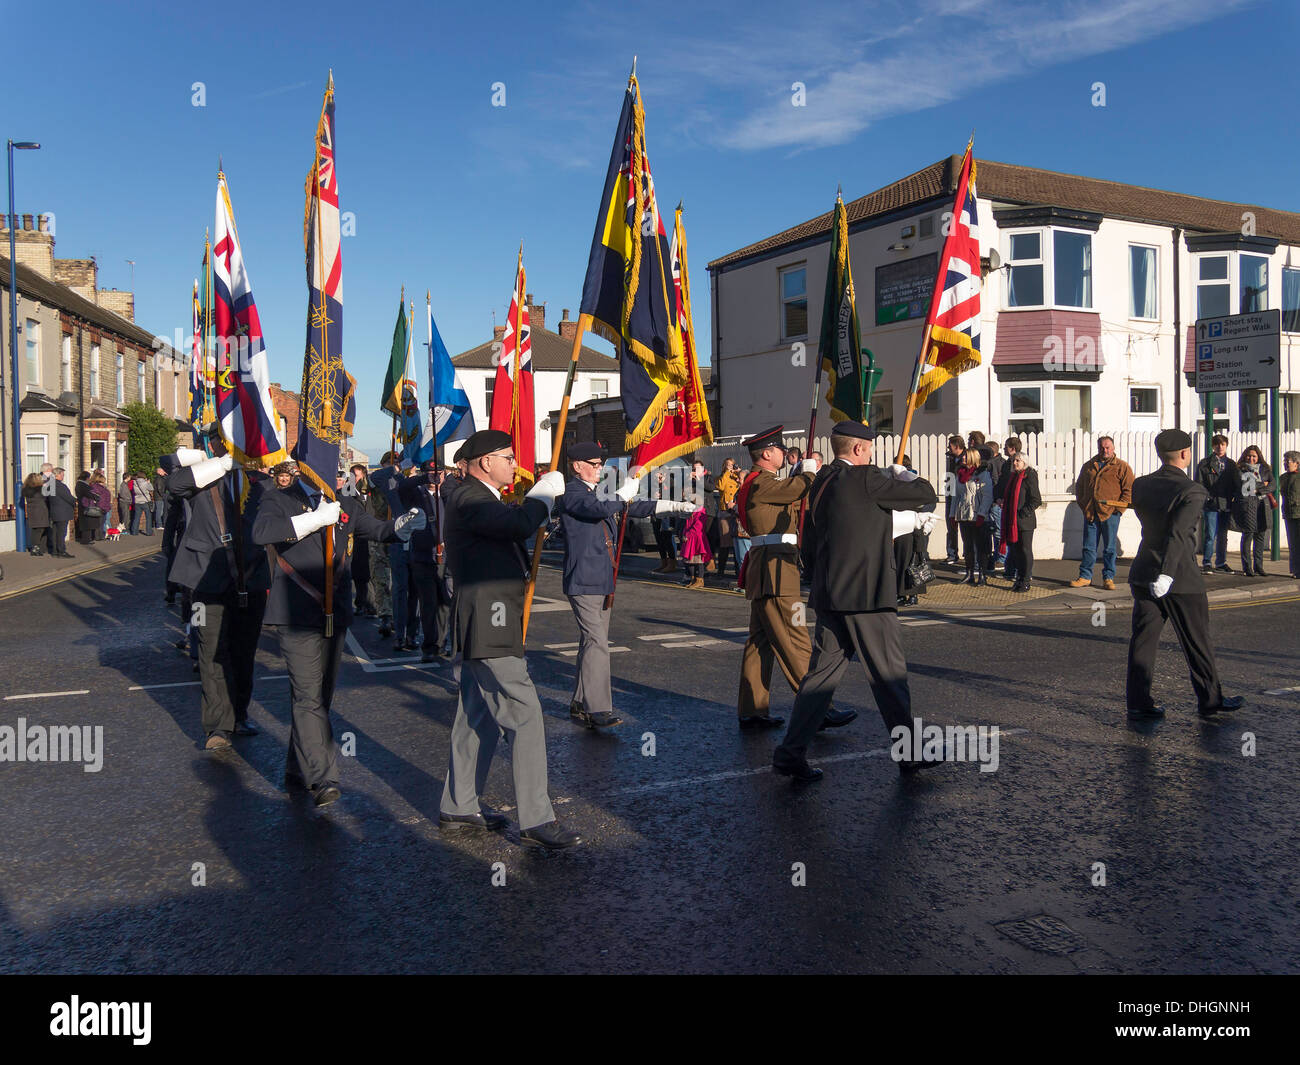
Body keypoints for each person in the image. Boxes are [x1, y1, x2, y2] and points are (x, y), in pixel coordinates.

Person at [773, 422, 938, 782]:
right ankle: (909, 752)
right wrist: (904, 473)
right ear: (861, 450)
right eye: (871, 449)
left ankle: (791, 751)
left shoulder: (821, 482)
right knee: (889, 676)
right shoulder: (867, 478)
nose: (873, 455)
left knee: (820, 678)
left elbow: (811, 541)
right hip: (866, 596)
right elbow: (926, 493)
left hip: (830, 594)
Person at [254, 457, 424, 807]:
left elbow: (375, 529)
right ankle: (322, 777)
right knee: (308, 696)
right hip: (297, 610)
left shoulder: (344, 502)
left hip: (335, 613)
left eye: (333, 468)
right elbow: (261, 533)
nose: (330, 474)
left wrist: (400, 526)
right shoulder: (279, 499)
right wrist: (314, 520)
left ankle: (298, 765)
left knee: (321, 696)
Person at [439, 429, 580, 849]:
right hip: (489, 616)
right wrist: (541, 497)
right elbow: (514, 524)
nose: (513, 463)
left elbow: (510, 531)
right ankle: (537, 818)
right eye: (507, 456)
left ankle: (459, 805)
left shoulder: (478, 495)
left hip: (488, 613)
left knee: (477, 713)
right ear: (484, 461)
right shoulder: (469, 496)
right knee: (524, 710)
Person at [557, 442, 691, 729]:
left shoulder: (598, 491)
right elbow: (600, 508)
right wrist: (625, 490)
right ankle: (598, 708)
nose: (599, 468)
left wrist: (673, 505)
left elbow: (634, 506)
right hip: (584, 577)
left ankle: (580, 701)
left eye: (600, 463)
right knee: (597, 642)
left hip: (603, 576)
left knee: (590, 643)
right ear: (577, 466)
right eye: (594, 464)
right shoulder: (572, 493)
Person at [735, 426, 852, 731]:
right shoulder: (763, 484)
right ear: (766, 454)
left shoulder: (764, 484)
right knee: (797, 638)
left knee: (759, 644)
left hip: (770, 570)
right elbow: (797, 490)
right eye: (778, 450)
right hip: (776, 573)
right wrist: (810, 472)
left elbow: (800, 501)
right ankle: (819, 709)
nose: (783, 454)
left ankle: (753, 708)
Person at [1126, 429, 1245, 719]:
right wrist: (1167, 575)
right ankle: (1210, 699)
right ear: (1185, 454)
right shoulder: (1192, 490)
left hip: (1144, 570)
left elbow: (1153, 526)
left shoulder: (1141, 485)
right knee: (1197, 640)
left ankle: (1139, 702)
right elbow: (1179, 535)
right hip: (1179, 577)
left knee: (1143, 640)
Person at [167, 432, 272, 750]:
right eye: (218, 441)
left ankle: (239, 715)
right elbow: (173, 484)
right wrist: (221, 463)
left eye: (229, 440)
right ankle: (217, 726)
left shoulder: (260, 483)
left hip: (251, 578)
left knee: (244, 653)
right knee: (212, 653)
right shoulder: (203, 477)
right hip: (206, 580)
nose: (223, 445)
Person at [398, 461, 455, 663]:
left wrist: (446, 480)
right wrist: (423, 479)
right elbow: (402, 487)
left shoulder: (451, 494)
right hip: (423, 557)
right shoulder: (416, 495)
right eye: (430, 473)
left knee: (446, 604)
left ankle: (442, 642)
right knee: (428, 603)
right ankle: (430, 646)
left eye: (438, 472)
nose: (434, 476)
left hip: (448, 558)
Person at [1070, 435, 1134, 590]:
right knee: (1088, 547)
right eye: (1102, 448)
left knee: (1110, 548)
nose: (1105, 450)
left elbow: (1129, 490)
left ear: (1113, 448)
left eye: (1108, 447)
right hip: (1091, 513)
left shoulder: (1122, 467)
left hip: (1110, 514)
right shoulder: (1089, 466)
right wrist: (1084, 505)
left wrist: (1118, 510)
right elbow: (1080, 488)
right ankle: (1085, 577)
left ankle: (1108, 578)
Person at [370, 451, 415, 652]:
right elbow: (366, 482)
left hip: (400, 534)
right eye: (391, 463)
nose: (396, 465)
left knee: (400, 583)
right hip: (381, 532)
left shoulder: (403, 481)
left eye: (397, 462)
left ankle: (401, 622)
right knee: (380, 577)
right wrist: (392, 469)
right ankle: (385, 616)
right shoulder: (378, 480)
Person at [1195, 434, 1238, 573]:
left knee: (1223, 535)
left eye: (1223, 444)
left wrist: (1233, 498)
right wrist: (1207, 498)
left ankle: (1221, 562)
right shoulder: (1205, 464)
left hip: (1226, 503)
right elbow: (1199, 484)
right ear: (1213, 446)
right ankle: (1207, 562)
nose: (1220, 447)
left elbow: (1236, 484)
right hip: (1211, 505)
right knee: (1210, 534)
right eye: (1217, 444)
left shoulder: (1231, 464)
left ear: (1226, 445)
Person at [999, 451, 1041, 592]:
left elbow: (1036, 499)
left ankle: (1026, 579)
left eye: (1018, 460)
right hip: (1012, 521)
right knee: (1015, 551)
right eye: (1014, 461)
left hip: (1024, 522)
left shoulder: (1029, 476)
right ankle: (1019, 578)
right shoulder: (1013, 477)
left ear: (1024, 462)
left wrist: (1022, 513)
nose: (1015, 463)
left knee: (1025, 550)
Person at [953, 447, 993, 585]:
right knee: (968, 546)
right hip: (963, 515)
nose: (963, 458)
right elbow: (956, 496)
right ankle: (969, 573)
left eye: (965, 456)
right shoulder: (960, 474)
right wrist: (953, 515)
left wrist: (982, 514)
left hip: (977, 515)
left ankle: (982, 574)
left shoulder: (982, 474)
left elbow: (987, 495)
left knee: (980, 546)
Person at [1234, 445, 1273, 577]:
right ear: (1245, 456)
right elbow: (1246, 488)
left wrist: (1260, 489)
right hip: (1248, 506)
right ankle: (1247, 568)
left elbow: (1273, 485)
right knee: (1248, 535)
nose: (1251, 458)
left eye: (1254, 456)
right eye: (1249, 456)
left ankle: (1259, 566)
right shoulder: (1240, 469)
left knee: (1260, 536)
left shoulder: (1265, 469)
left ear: (1258, 457)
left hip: (1262, 505)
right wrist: (1263, 484)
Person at [649, 469, 679, 574]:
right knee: (659, 539)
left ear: (664, 474)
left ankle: (672, 563)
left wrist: (663, 496)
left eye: (660, 476)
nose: (658, 478)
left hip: (667, 515)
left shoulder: (671, 483)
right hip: (656, 514)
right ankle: (663, 562)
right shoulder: (653, 484)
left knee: (668, 538)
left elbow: (676, 498)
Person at [943, 434, 965, 565]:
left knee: (963, 527)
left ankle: (966, 556)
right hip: (950, 491)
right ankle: (951, 553)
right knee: (950, 525)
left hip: (960, 494)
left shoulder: (965, 458)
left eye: (950, 446)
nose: (948, 449)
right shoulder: (952, 458)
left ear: (957, 446)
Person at [47, 469, 76, 558]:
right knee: (61, 533)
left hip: (54, 511)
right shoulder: (60, 486)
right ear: (57, 475)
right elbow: (69, 498)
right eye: (62, 474)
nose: (63, 476)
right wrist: (75, 502)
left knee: (55, 532)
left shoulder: (49, 485)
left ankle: (55, 551)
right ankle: (61, 551)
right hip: (62, 512)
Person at [1280, 451, 1299, 579]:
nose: (1286, 464)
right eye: (1285, 461)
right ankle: (1295, 570)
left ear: (1297, 463)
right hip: (1289, 514)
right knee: (1293, 544)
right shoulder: (1283, 477)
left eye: (1289, 461)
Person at [21, 472, 49, 556]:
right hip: (40, 511)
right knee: (39, 530)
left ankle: (40, 548)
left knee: (38, 530)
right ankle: (36, 548)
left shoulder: (27, 489)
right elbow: (46, 496)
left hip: (32, 512)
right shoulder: (39, 489)